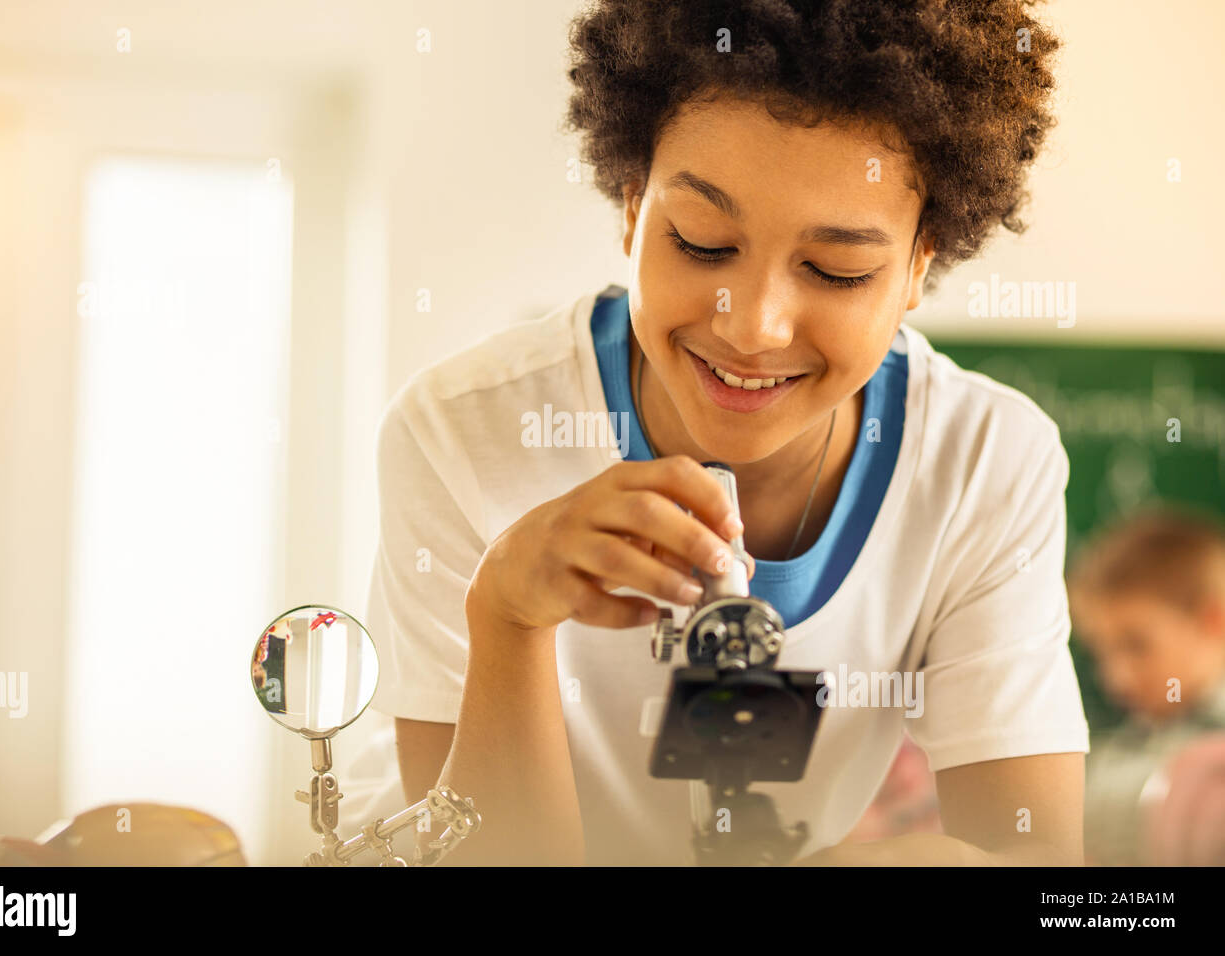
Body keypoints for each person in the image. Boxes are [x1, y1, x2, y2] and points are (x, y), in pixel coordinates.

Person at [367, 0, 1089, 866]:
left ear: (916, 268)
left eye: (837, 270)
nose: (753, 327)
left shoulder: (985, 463)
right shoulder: (463, 431)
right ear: (632, 212)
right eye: (704, 244)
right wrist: (509, 614)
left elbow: (1042, 871)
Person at [1066, 506, 1225, 865]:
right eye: (1101, 653)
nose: (1116, 676)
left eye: (1136, 645)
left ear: (1212, 621)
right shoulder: (1120, 745)